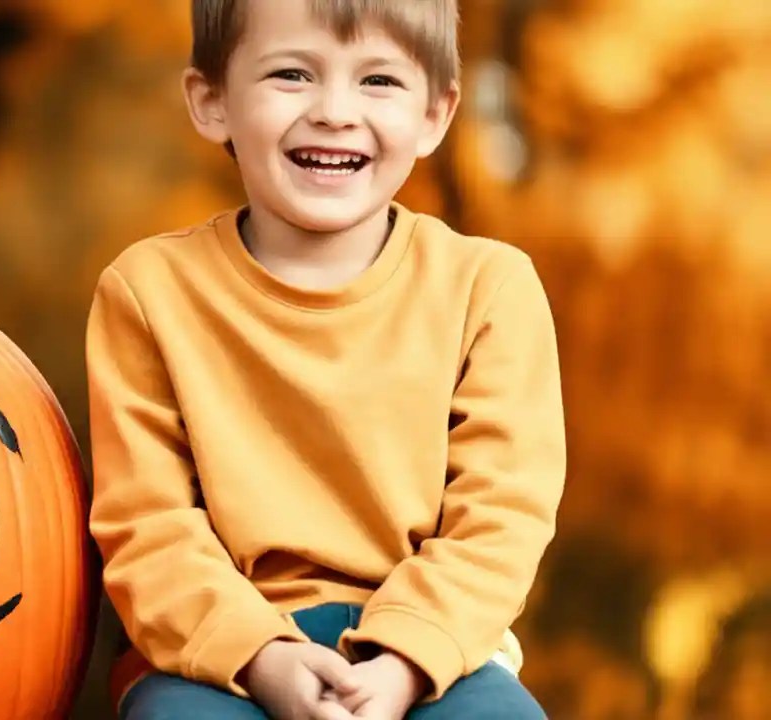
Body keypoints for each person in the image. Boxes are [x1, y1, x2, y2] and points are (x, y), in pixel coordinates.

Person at [84, 0, 565, 718]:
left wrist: (404, 661)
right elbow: (147, 528)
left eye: (378, 81)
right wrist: (263, 660)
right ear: (212, 102)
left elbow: (500, 517)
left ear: (436, 114)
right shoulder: (149, 294)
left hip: (435, 651)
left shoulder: (487, 289)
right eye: (291, 74)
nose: (335, 111)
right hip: (225, 658)